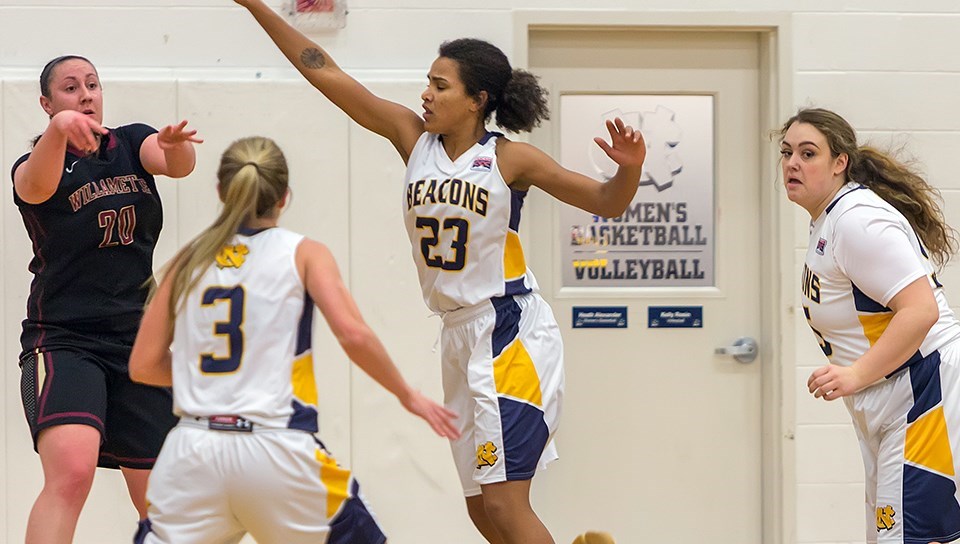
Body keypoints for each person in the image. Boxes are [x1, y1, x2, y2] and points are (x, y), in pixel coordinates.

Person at [234, 3, 645, 543]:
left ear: (477, 101)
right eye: (427, 82)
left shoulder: (510, 159)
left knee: (504, 502)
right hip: (457, 335)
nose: (425, 93)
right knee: (482, 510)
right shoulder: (410, 138)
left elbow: (605, 202)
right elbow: (321, 66)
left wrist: (630, 170)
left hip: (509, 333)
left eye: (440, 85)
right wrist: (256, 7)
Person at [128, 135, 460, 544]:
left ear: (221, 192)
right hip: (276, 448)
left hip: (192, 453)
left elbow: (142, 365)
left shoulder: (187, 259)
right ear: (284, 197)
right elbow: (353, 334)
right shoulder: (303, 253)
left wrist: (215, 386)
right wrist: (407, 394)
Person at [11, 55, 202, 544]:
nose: (86, 94)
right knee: (73, 473)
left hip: (137, 343)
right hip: (64, 340)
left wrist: (177, 147)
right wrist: (60, 130)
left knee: (162, 496)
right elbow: (35, 189)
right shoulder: (36, 165)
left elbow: (176, 164)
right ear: (47, 103)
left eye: (92, 85)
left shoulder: (131, 142)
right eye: (71, 88)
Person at [781, 107, 960, 544]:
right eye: (787, 153)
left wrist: (855, 373)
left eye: (808, 153)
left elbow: (920, 311)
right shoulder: (832, 219)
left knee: (910, 537)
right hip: (892, 396)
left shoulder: (857, 220)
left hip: (924, 392)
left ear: (840, 162)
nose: (792, 163)